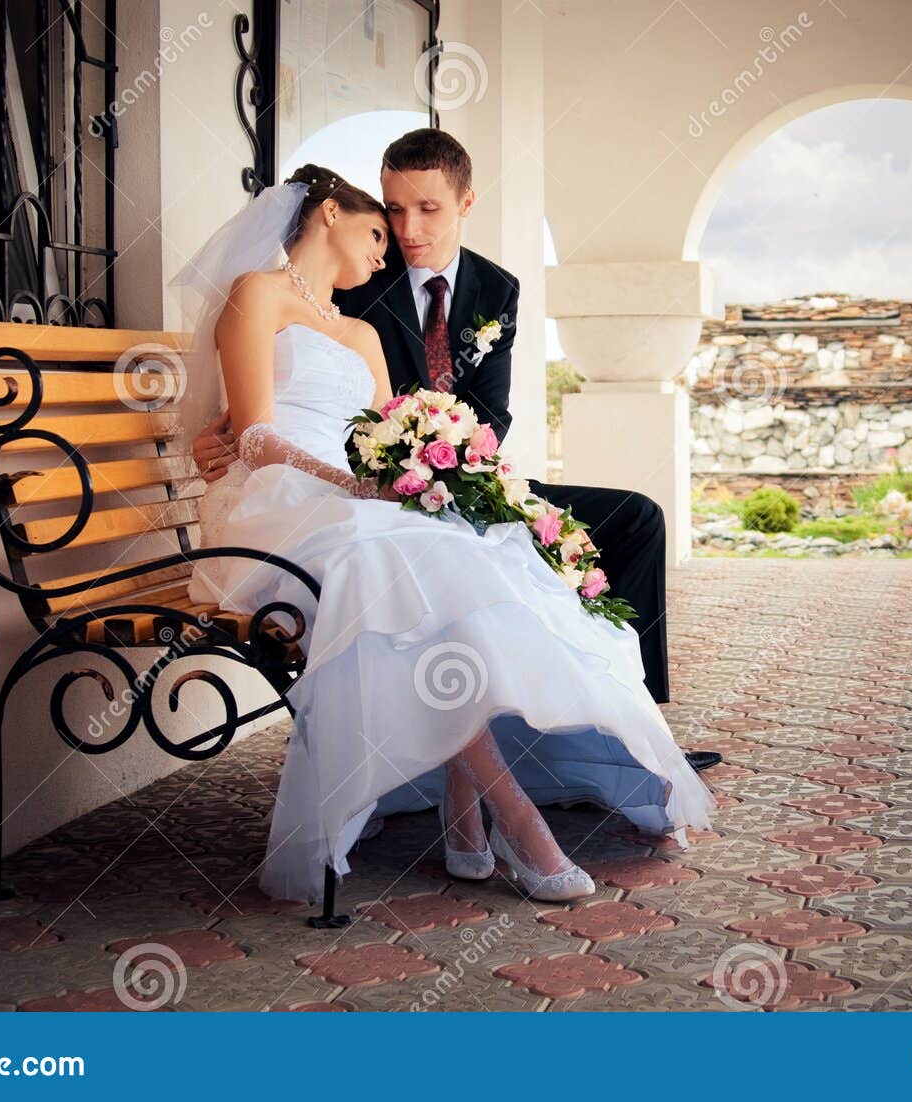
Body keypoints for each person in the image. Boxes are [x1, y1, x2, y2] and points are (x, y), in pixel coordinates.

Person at [175, 166, 714, 903]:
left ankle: (468, 805)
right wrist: (345, 484)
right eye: (377, 229)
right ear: (329, 213)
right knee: (402, 569)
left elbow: (384, 437)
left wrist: (421, 473)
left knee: (466, 560)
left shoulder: (362, 330)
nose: (387, 250)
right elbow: (256, 435)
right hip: (278, 503)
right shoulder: (256, 294)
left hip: (359, 497)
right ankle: (510, 817)